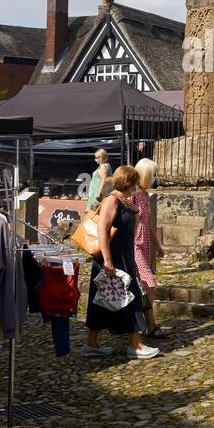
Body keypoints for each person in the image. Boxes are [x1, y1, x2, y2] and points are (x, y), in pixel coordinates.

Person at [82, 165, 158, 359]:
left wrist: (136, 213)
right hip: (113, 259)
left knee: (102, 300)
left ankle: (92, 343)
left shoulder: (124, 202)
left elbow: (129, 229)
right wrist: (107, 259)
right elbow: (102, 229)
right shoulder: (112, 200)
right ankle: (136, 344)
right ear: (131, 182)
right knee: (130, 297)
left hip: (122, 257)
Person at [131, 157, 168, 339]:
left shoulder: (145, 195)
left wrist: (157, 246)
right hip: (135, 242)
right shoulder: (134, 194)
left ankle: (145, 322)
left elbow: (150, 224)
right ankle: (149, 323)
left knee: (143, 282)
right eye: (153, 173)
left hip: (144, 241)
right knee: (148, 281)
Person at [85, 148, 111, 214]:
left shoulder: (103, 167)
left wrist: (99, 193)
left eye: (97, 158)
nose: (96, 159)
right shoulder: (106, 166)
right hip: (96, 194)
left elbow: (103, 180)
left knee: (92, 214)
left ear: (101, 157)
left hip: (97, 195)